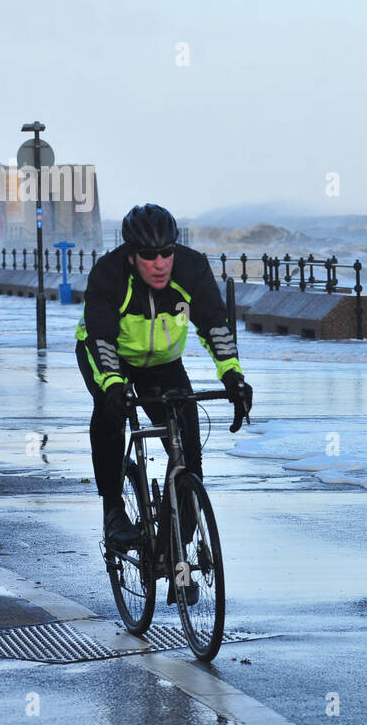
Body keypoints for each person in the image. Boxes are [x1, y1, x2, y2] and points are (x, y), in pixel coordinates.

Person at [75, 203, 252, 549]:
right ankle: (113, 510)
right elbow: (101, 339)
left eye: (166, 253)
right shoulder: (108, 274)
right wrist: (113, 386)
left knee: (189, 456)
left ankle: (177, 553)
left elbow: (215, 326)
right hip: (111, 358)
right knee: (111, 414)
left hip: (164, 364)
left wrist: (233, 378)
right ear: (130, 256)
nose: (159, 263)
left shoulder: (192, 270)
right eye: (148, 255)